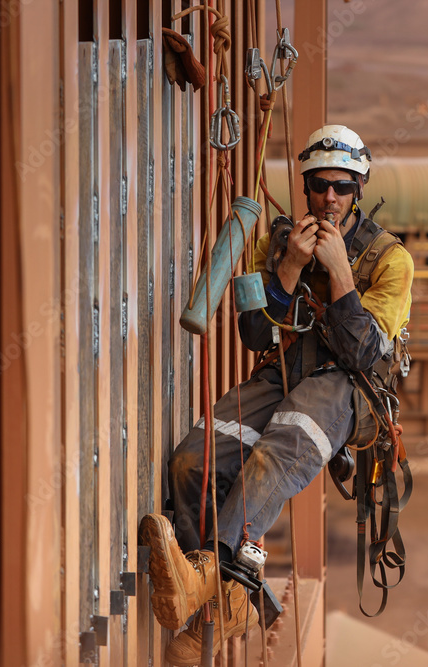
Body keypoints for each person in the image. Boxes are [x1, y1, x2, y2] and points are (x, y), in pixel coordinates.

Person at [139, 125, 413, 664]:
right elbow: (253, 337)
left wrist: (338, 273)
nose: (329, 198)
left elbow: (362, 355)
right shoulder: (277, 243)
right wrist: (287, 269)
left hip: (347, 388)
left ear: (358, 188)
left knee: (277, 451)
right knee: (192, 462)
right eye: (318, 186)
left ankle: (210, 585)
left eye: (341, 186)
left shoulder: (390, 261)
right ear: (305, 187)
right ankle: (225, 605)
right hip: (283, 372)